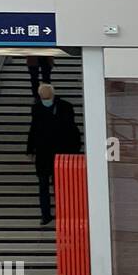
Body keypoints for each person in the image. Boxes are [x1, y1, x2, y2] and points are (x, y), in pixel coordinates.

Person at [26, 84, 82, 226]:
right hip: (43, 153)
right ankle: (46, 215)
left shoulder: (65, 107)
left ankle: (63, 213)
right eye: (41, 93)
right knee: (43, 185)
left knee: (60, 185)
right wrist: (30, 149)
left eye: (45, 92)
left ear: (52, 93)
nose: (43, 95)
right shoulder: (37, 108)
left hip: (60, 152)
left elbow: (72, 130)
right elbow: (34, 129)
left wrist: (75, 150)